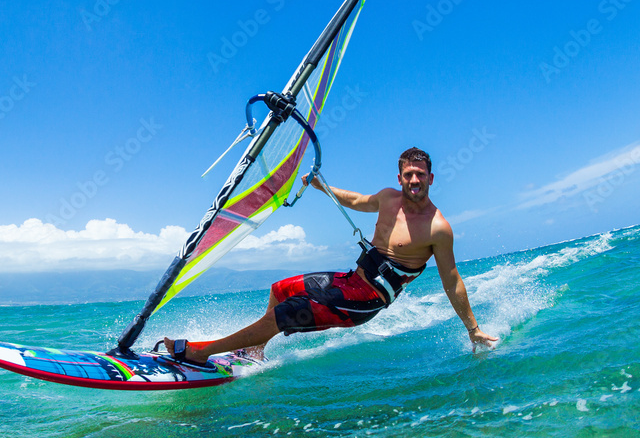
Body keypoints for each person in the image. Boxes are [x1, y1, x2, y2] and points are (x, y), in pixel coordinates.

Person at [161, 147, 497, 367]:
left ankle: (202, 352)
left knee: (285, 313)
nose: (414, 180)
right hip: (350, 281)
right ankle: (254, 351)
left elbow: (451, 281)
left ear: (431, 178)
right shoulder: (388, 198)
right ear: (399, 177)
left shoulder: (438, 227)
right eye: (408, 174)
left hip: (366, 301)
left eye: (420, 175)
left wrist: (473, 328)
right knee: (280, 290)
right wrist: (325, 188)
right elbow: (357, 201)